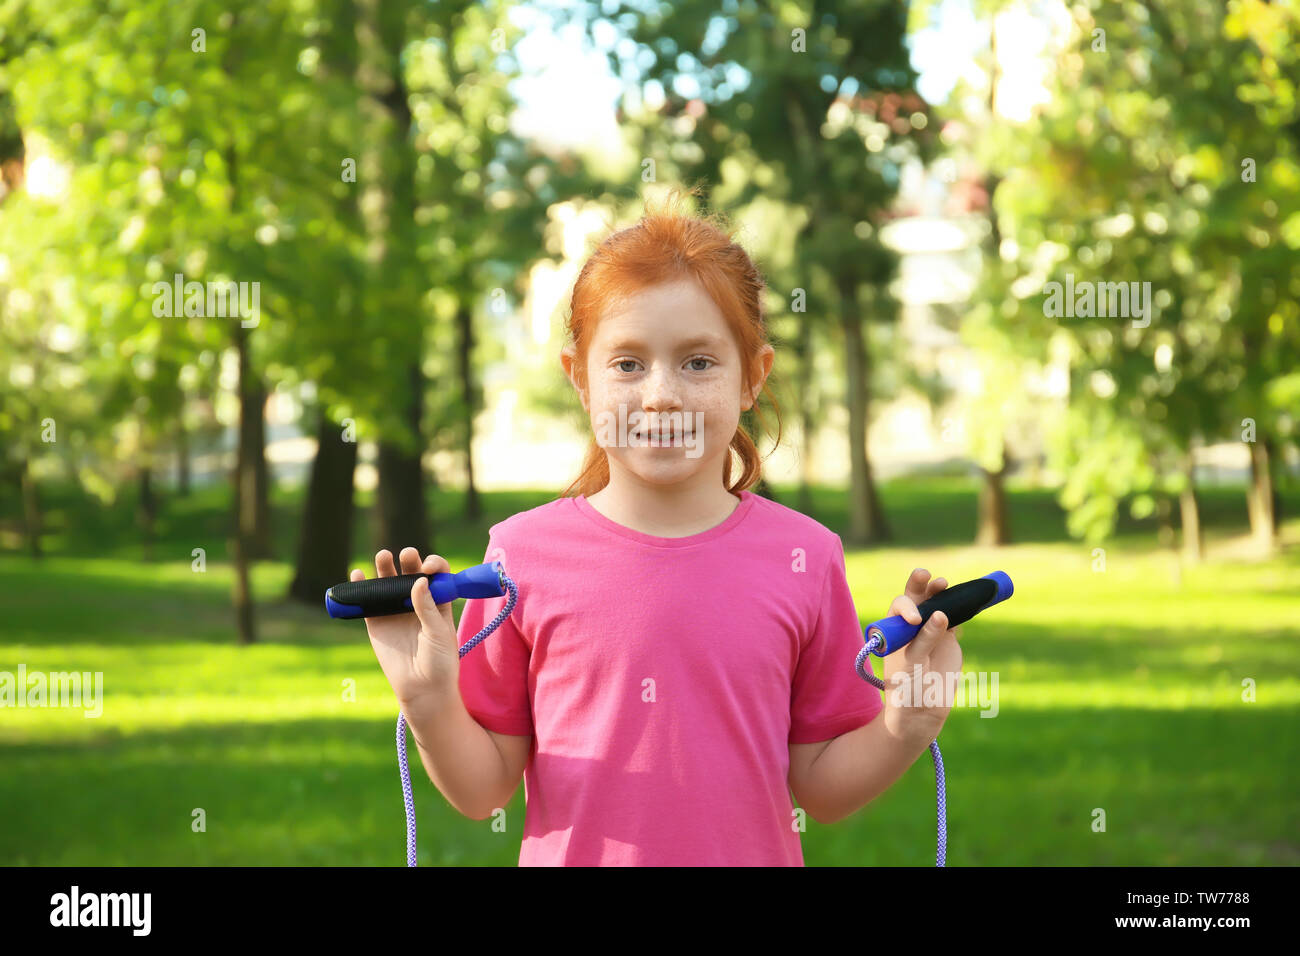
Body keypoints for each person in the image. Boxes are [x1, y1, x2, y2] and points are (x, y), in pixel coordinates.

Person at [354, 187, 963, 865]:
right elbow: (482, 791)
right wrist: (429, 701)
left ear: (752, 377)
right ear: (580, 380)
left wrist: (908, 722)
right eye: (627, 364)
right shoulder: (519, 558)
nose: (662, 394)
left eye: (698, 362)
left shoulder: (805, 556)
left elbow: (821, 789)